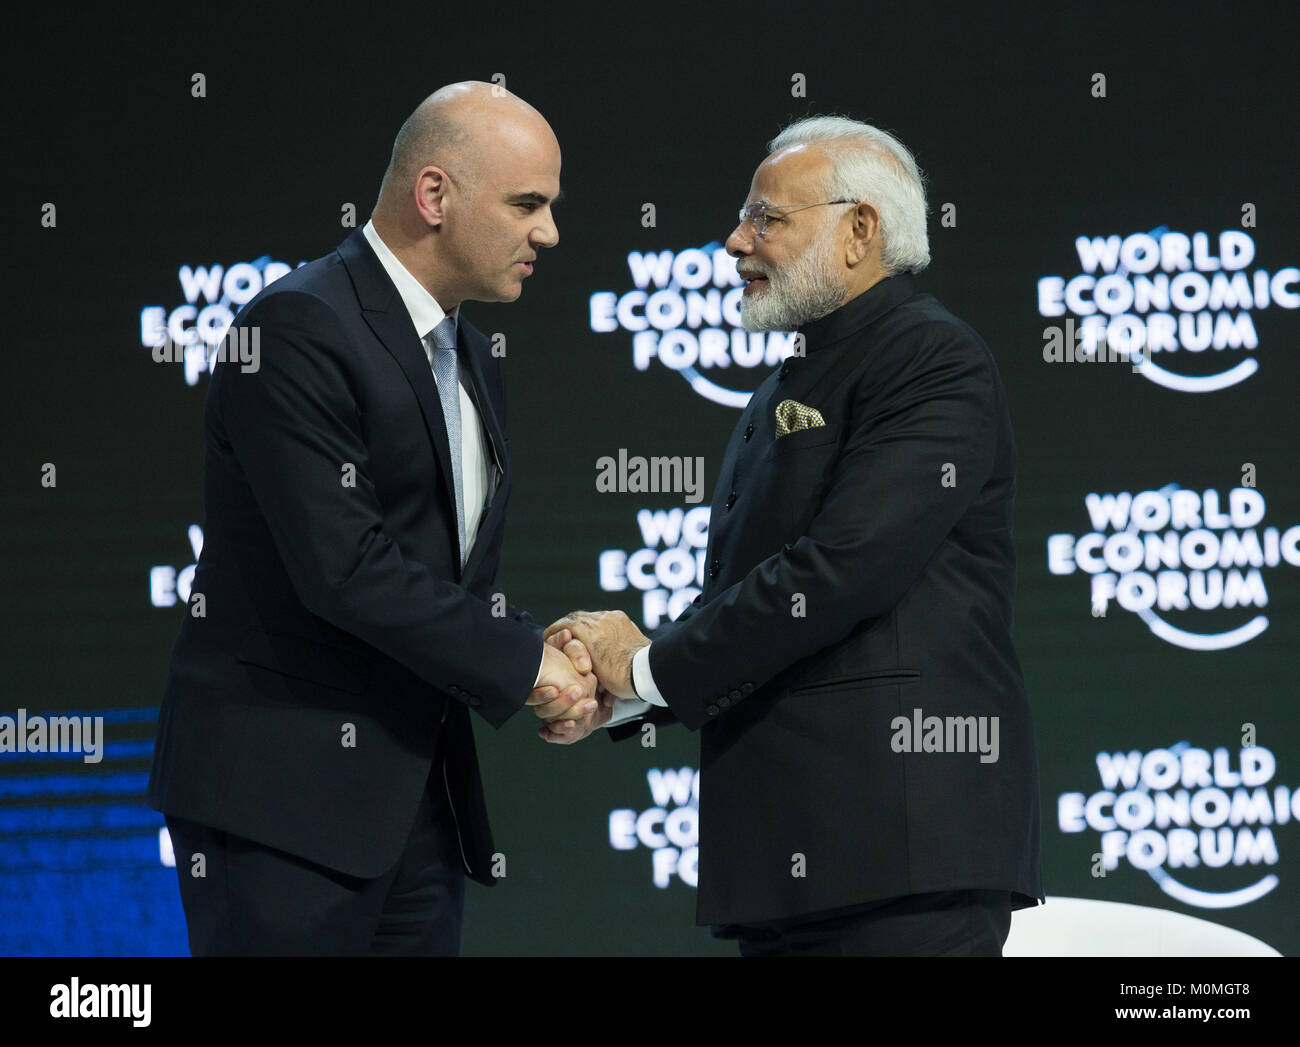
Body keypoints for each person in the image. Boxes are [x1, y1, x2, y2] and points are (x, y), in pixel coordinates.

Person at [537, 116, 1044, 956]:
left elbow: (841, 568)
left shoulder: (931, 357)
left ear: (860, 230)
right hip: (791, 864)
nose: (737, 239)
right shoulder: (789, 377)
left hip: (893, 860)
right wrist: (623, 692)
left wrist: (646, 665)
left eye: (767, 217)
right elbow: (755, 595)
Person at [146, 82, 603, 956]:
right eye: (527, 203)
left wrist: (543, 657)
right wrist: (525, 664)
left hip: (417, 805)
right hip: (282, 806)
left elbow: (441, 579)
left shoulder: (472, 351)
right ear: (435, 196)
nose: (548, 232)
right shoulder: (296, 326)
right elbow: (345, 568)